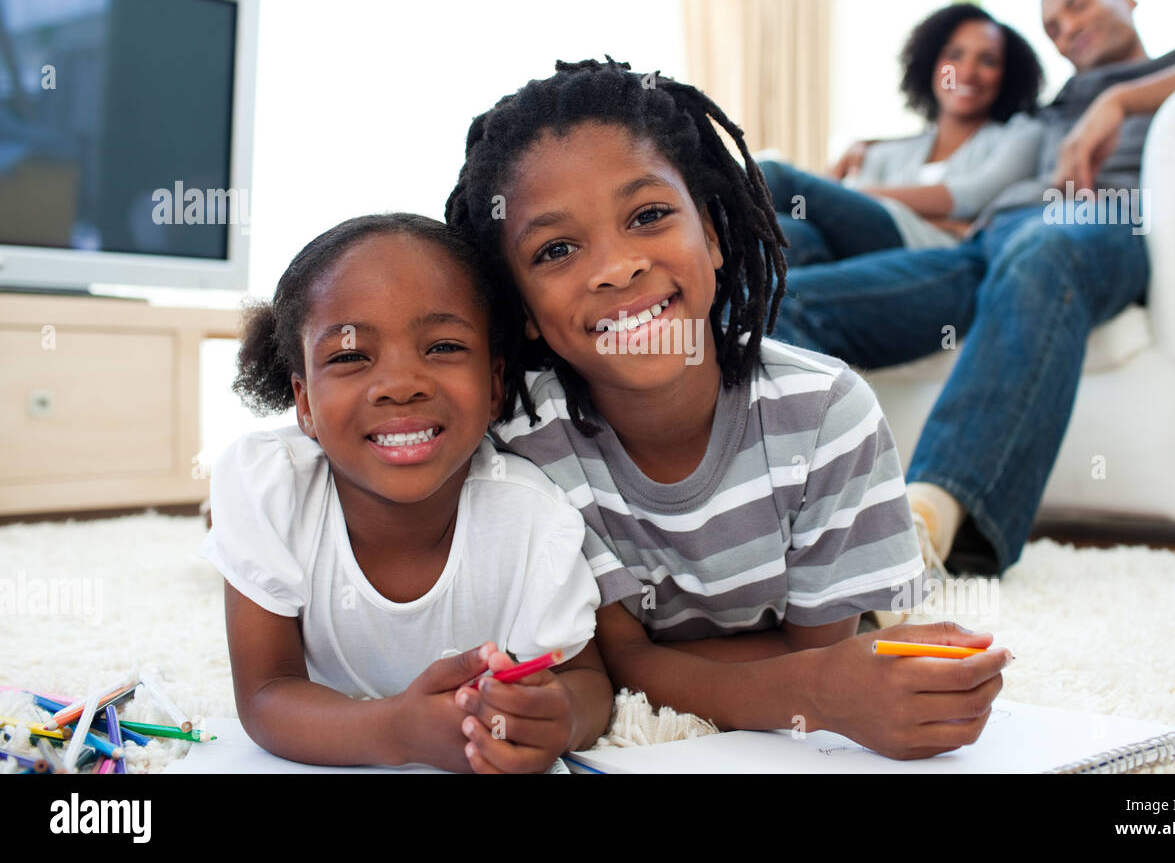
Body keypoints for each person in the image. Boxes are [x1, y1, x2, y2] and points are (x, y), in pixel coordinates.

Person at [446, 57, 1013, 760]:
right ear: (521, 307)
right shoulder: (531, 447)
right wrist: (811, 687)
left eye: (649, 215)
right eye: (557, 249)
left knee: (909, 574)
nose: (617, 267)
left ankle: (928, 521)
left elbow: (815, 651)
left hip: (826, 515)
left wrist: (804, 670)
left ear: (712, 235)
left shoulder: (829, 414)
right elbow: (628, 664)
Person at [773, 0, 1175, 575]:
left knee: (1043, 252)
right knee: (791, 301)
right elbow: (959, 132)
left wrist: (1123, 100)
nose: (1066, 26)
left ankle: (931, 522)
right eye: (1052, 26)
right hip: (982, 249)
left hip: (1097, 228)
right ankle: (812, 518)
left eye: (1077, 5)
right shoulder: (1050, 111)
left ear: (1127, 1)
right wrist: (871, 144)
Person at [201, 213, 612, 773]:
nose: (400, 385)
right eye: (349, 357)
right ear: (303, 402)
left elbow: (586, 681)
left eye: (442, 347)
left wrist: (557, 718)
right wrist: (398, 731)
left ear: (495, 384)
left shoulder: (534, 518)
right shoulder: (269, 486)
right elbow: (265, 693)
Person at [758, 2, 1043, 265]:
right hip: (864, 258)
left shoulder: (1021, 135)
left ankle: (713, 208)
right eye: (954, 56)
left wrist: (852, 193)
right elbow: (853, 213)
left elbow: (972, 196)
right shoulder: (885, 152)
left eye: (988, 61)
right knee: (789, 233)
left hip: (932, 259)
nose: (967, 72)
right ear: (931, 63)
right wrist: (951, 222)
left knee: (776, 175)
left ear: (1008, 75)